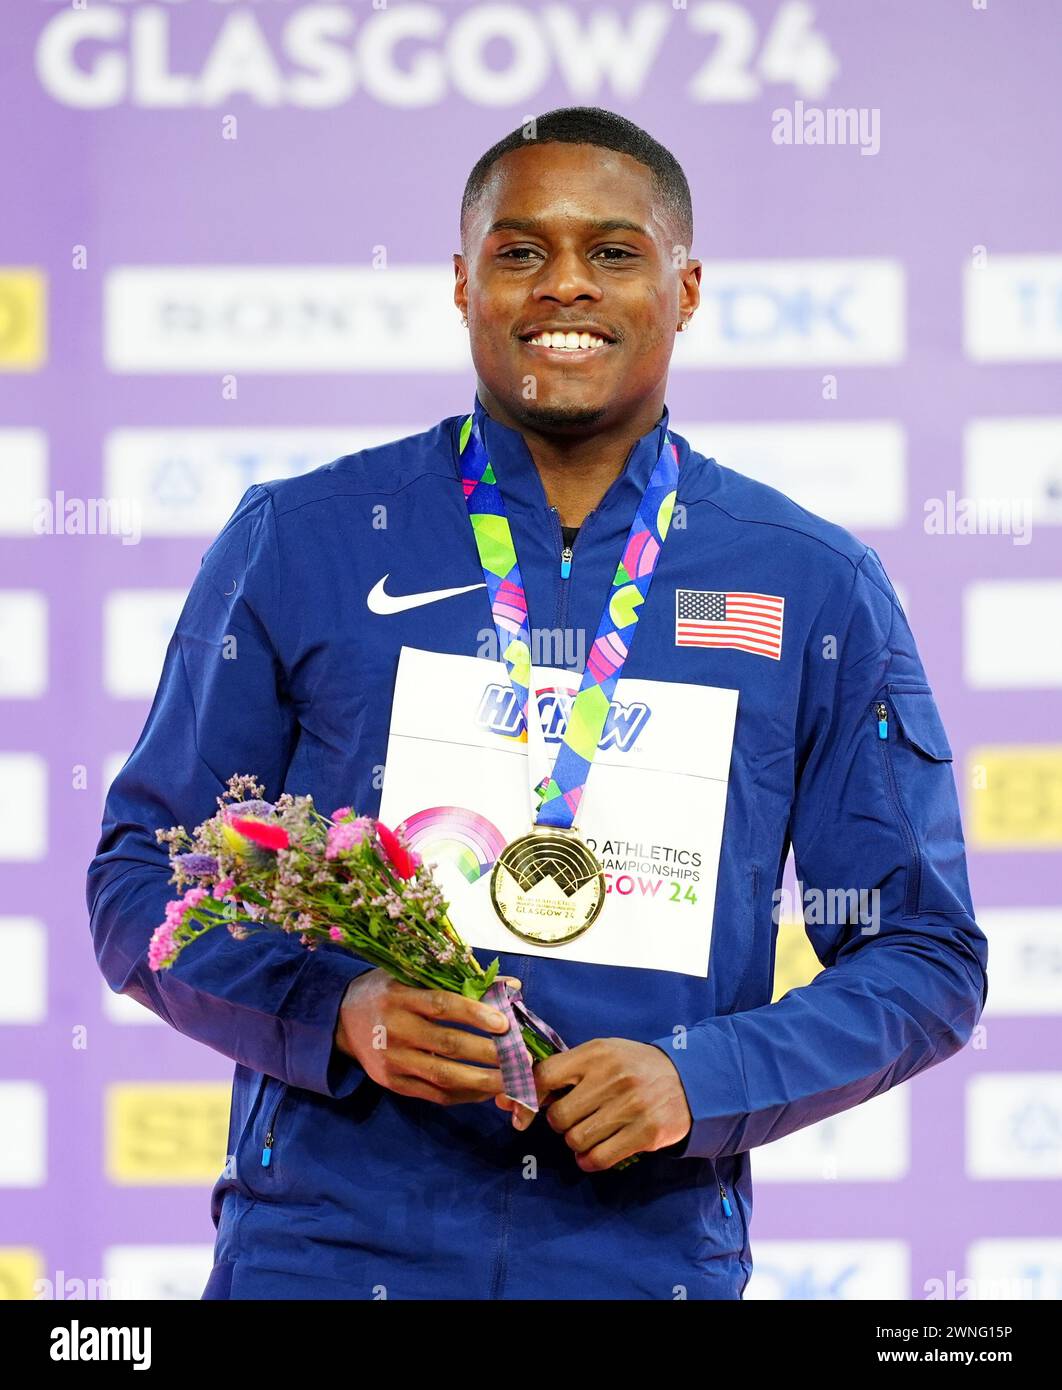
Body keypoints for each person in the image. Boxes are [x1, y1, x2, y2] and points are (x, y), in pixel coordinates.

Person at [86, 106, 988, 1301]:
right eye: (520, 252)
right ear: (464, 285)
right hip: (326, 1254)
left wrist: (702, 1078)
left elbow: (924, 955)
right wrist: (337, 1010)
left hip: (641, 1258)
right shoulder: (297, 540)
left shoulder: (810, 581)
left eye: (614, 252)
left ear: (688, 285)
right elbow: (140, 882)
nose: (565, 285)